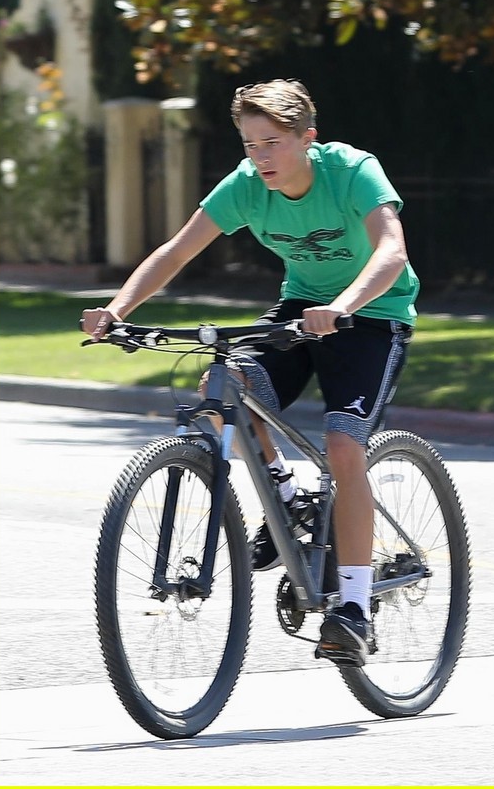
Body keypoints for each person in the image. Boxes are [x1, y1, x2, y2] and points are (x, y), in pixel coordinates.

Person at [81, 79, 418, 664]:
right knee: (225, 387)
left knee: (344, 448)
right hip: (300, 311)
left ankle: (355, 610)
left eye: (272, 143)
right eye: (249, 145)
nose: (260, 158)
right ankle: (286, 497)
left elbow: (392, 252)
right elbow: (178, 250)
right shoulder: (245, 187)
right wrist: (117, 309)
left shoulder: (352, 171)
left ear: (307, 139)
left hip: (372, 313)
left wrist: (343, 307)